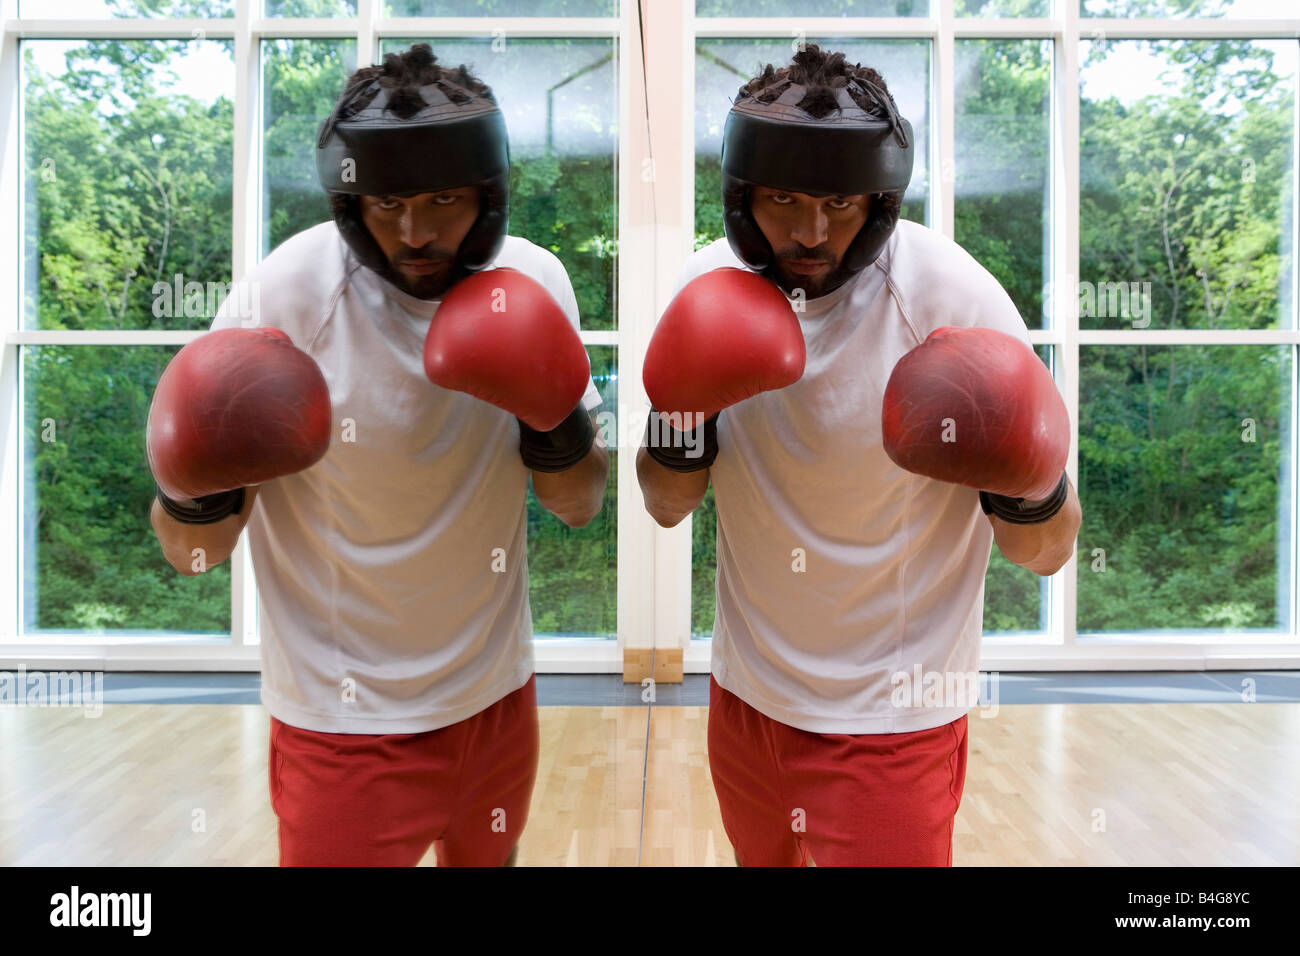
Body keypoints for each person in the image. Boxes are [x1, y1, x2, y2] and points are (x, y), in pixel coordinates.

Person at [147, 43, 609, 866]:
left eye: (443, 199)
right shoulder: (282, 296)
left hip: (493, 701)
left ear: (489, 195)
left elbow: (577, 505)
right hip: (340, 723)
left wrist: (556, 423)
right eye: (389, 202)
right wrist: (190, 492)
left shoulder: (531, 282)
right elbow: (196, 557)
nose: (416, 231)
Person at [637, 45, 1081, 866]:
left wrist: (1027, 480)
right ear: (742, 196)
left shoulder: (957, 301)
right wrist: (682, 417)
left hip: (896, 718)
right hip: (750, 699)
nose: (812, 232)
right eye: (784, 201)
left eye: (840, 203)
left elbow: (1046, 553)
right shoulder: (707, 291)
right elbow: (666, 505)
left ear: (879, 198)